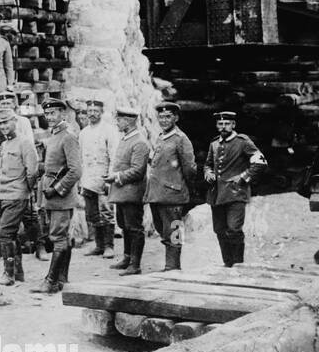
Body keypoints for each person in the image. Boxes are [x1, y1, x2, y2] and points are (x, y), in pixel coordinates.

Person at [204, 110, 267, 267]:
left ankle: (238, 265)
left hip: (236, 193)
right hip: (216, 194)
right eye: (220, 124)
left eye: (227, 124)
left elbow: (261, 162)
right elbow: (207, 164)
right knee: (219, 230)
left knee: (234, 229)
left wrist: (243, 177)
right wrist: (208, 172)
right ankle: (228, 264)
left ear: (233, 125)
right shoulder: (214, 143)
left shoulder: (243, 142)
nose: (223, 127)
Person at [32, 98, 81, 293]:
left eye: (53, 113)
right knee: (61, 237)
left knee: (58, 237)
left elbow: (75, 170)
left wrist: (58, 189)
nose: (49, 117)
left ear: (63, 114)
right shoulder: (54, 136)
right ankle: (62, 279)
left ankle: (50, 281)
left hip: (61, 195)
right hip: (50, 192)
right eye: (47, 114)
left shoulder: (68, 137)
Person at [146, 101, 198, 271]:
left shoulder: (181, 139)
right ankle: (171, 265)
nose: (164, 120)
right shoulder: (161, 137)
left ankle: (173, 267)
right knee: (163, 230)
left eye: (168, 117)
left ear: (176, 118)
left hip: (173, 195)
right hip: (157, 194)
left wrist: (185, 189)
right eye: (161, 117)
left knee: (174, 232)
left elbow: (190, 168)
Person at [0, 110, 39, 285]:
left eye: (7, 123)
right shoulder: (4, 144)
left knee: (4, 233)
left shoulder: (25, 143)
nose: (4, 127)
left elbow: (32, 171)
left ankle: (8, 274)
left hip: (16, 195)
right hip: (1, 194)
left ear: (15, 121)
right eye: (1, 124)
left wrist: (24, 191)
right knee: (10, 235)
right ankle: (18, 273)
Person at [106, 106, 150, 275]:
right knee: (124, 226)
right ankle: (126, 257)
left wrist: (116, 177)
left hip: (132, 193)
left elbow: (138, 171)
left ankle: (135, 263)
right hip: (122, 192)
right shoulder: (126, 139)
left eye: (120, 119)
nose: (117, 122)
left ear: (129, 121)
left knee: (134, 228)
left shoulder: (139, 142)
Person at [79, 98, 120, 258]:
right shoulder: (83, 133)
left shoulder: (109, 130)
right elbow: (81, 159)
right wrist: (81, 181)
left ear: (101, 112)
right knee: (92, 214)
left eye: (96, 111)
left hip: (104, 178)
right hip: (89, 179)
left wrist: (110, 178)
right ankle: (99, 245)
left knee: (107, 212)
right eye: (90, 111)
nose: (92, 114)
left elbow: (114, 155)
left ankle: (109, 246)